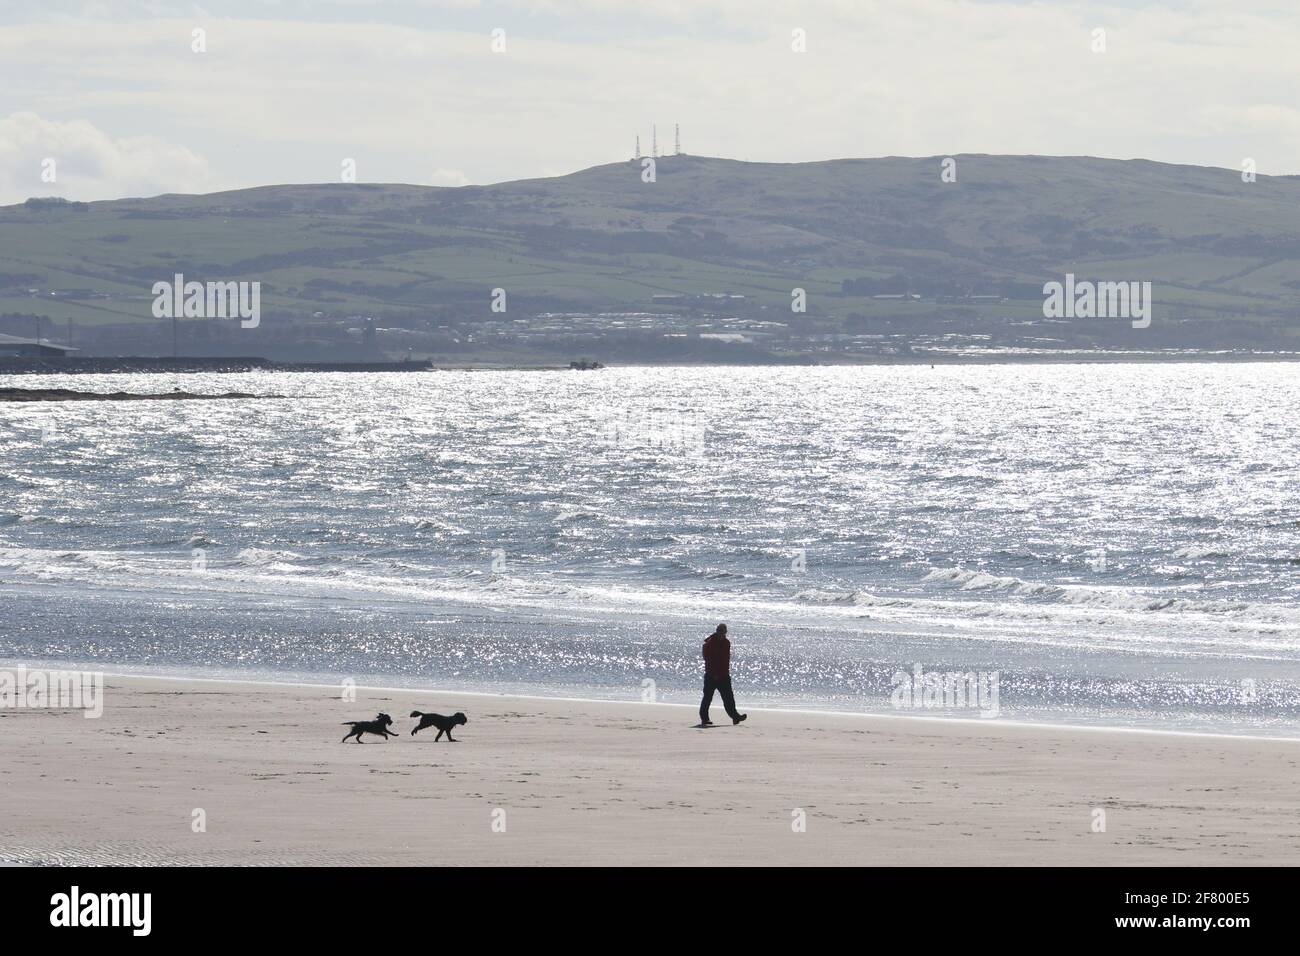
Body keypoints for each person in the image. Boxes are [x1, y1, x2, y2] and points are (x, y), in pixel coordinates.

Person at [699, 623, 747, 726]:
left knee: (729, 698)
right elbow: (708, 659)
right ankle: (704, 719)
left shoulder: (727, 643)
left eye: (723, 631)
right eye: (719, 631)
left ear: (725, 632)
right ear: (717, 631)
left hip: (724, 675)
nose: (721, 633)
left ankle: (735, 717)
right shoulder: (709, 643)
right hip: (711, 676)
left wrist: (723, 673)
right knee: (707, 698)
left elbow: (725, 660)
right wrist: (714, 674)